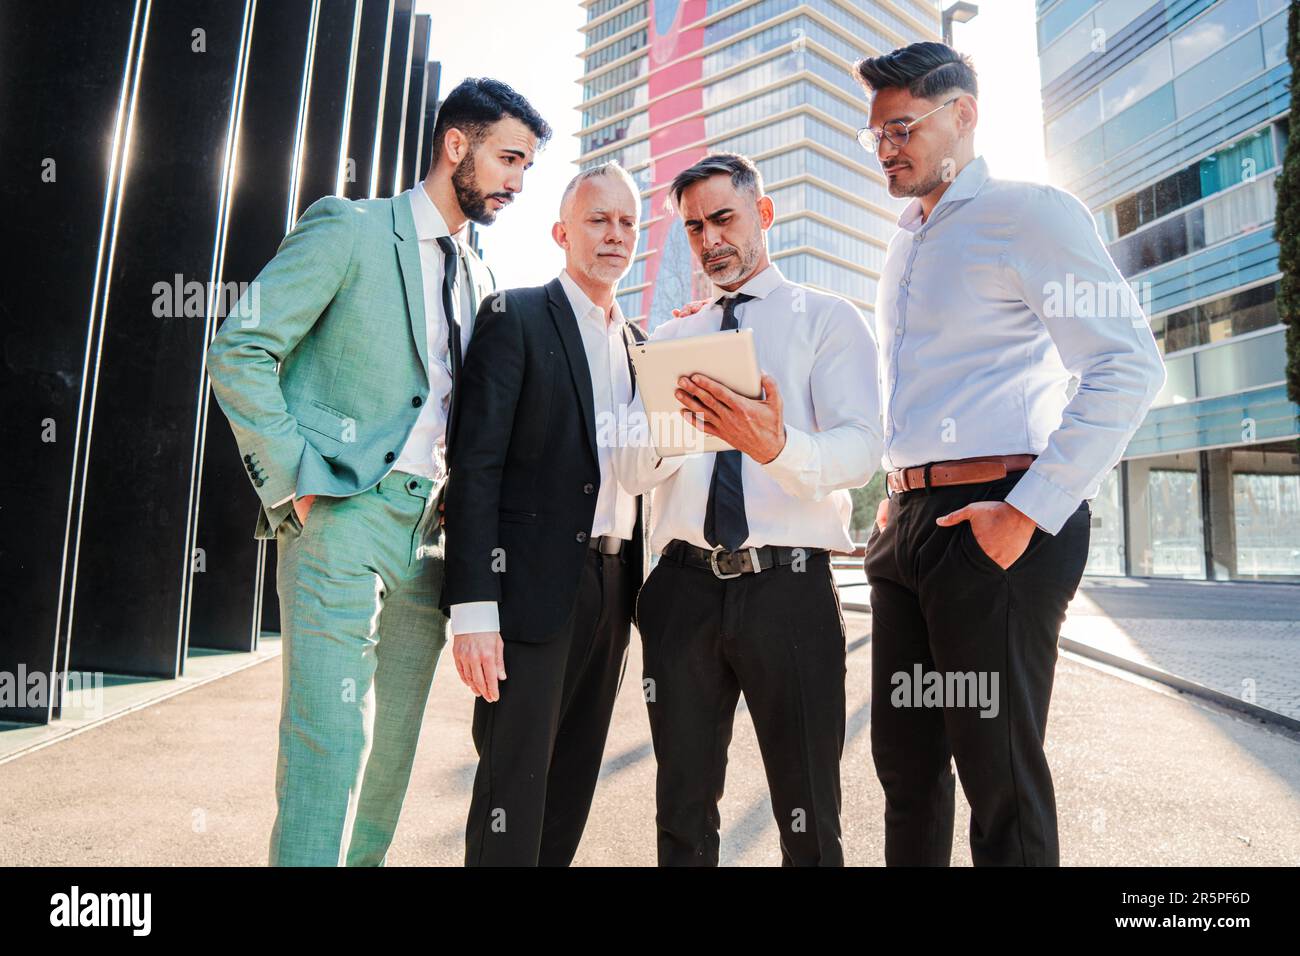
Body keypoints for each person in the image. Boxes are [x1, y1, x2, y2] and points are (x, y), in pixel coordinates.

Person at [205, 77, 550, 866]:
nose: (517, 183)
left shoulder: (480, 279)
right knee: (330, 747)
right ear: (455, 145)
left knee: (387, 764)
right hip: (343, 516)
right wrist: (294, 477)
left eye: (527, 167)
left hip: (430, 540)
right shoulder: (350, 227)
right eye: (508, 159)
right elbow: (240, 348)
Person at [855, 42, 1165, 866]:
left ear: (962, 114)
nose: (885, 148)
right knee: (907, 772)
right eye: (874, 135)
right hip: (910, 528)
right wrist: (899, 490)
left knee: (1000, 784)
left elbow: (1127, 365)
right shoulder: (905, 240)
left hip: (996, 518)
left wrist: (1027, 512)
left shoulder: (1031, 212)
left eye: (900, 127)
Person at [614, 153, 882, 866]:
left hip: (788, 589)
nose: (710, 241)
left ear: (763, 214)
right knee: (682, 813)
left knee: (809, 816)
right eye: (695, 228)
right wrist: (681, 433)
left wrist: (775, 445)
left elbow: (861, 450)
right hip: (680, 590)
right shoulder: (668, 339)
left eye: (724, 219)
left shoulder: (828, 319)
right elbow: (631, 470)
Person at [442, 162, 647, 866]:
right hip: (528, 590)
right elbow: (475, 468)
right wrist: (473, 607)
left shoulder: (642, 346)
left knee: (570, 794)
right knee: (512, 796)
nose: (614, 234)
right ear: (563, 233)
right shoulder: (517, 315)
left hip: (615, 590)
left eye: (627, 222)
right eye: (598, 220)